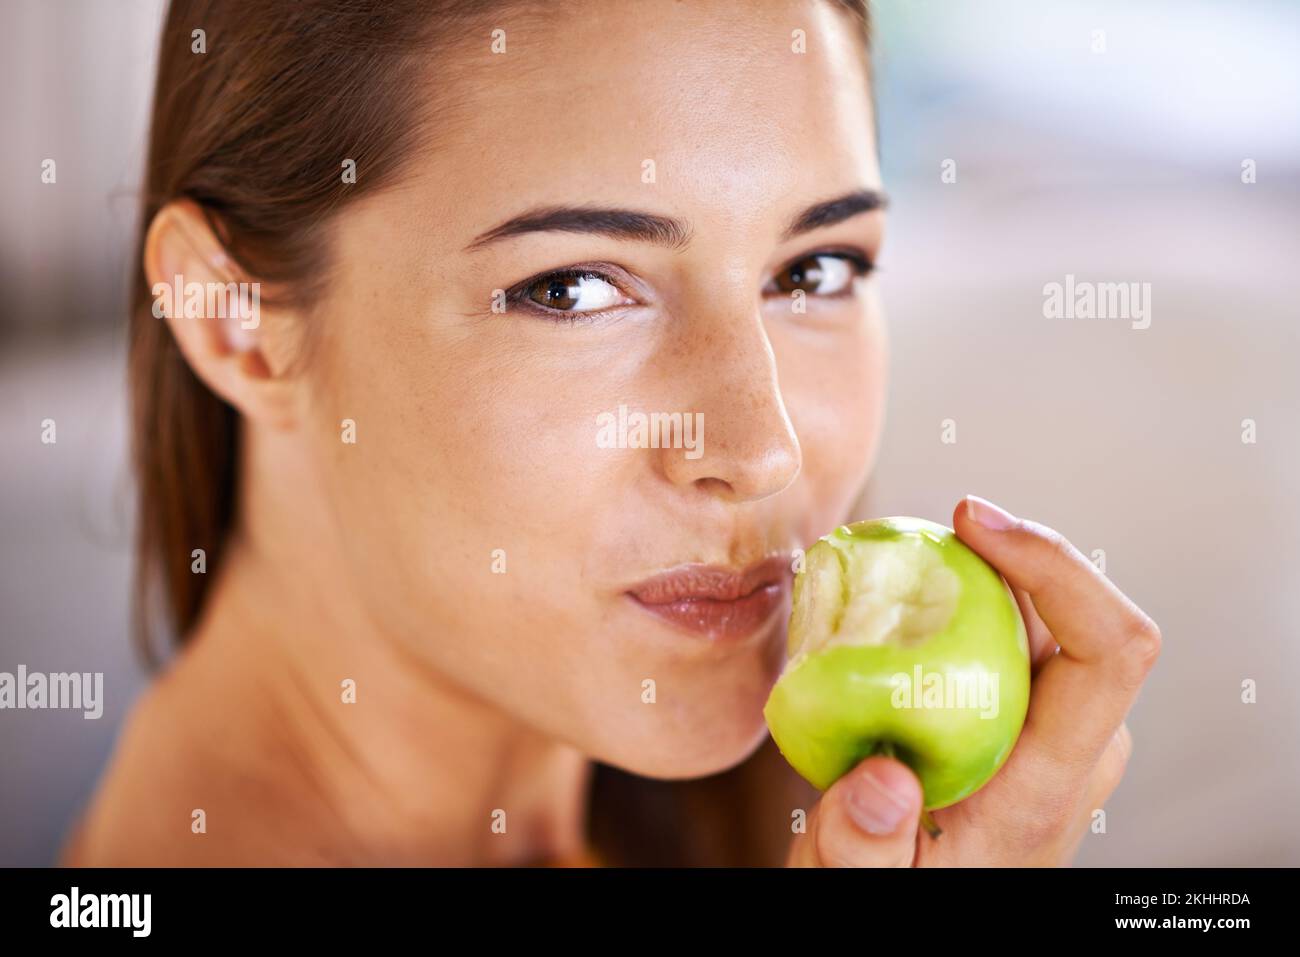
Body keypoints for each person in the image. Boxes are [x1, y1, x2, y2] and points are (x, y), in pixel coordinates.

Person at [62, 0, 1159, 867]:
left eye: (813, 270)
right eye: (574, 288)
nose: (759, 449)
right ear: (235, 325)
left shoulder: (688, 796)